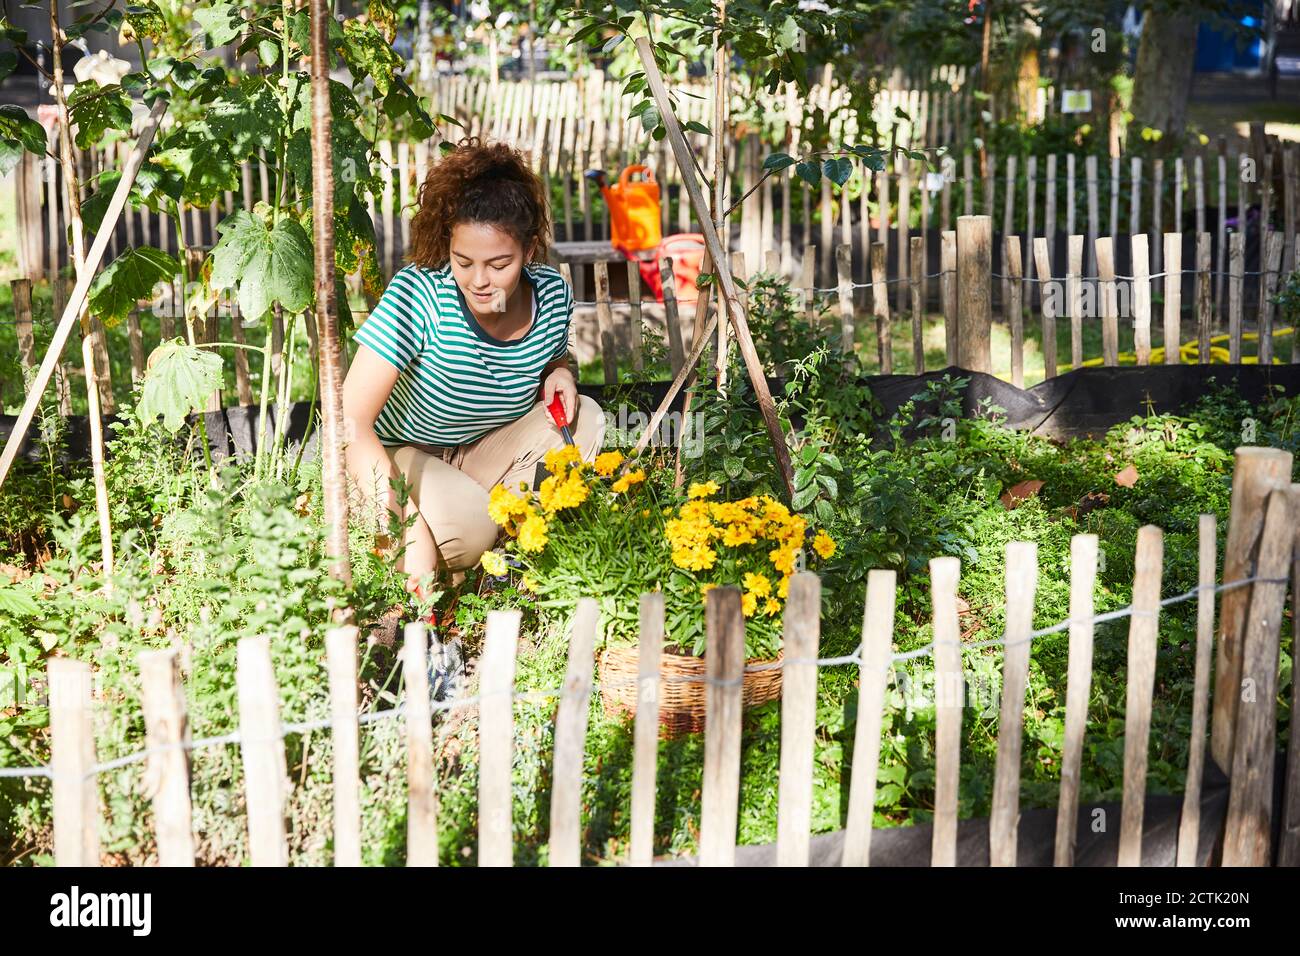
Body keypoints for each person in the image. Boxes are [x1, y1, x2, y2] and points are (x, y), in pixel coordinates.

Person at [342, 137, 604, 592]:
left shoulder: (551, 293)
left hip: (479, 453)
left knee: (587, 421)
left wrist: (560, 372)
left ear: (528, 250)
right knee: (473, 530)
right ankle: (449, 548)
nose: (479, 281)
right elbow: (350, 423)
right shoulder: (420, 296)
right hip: (401, 456)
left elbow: (553, 355)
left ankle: (504, 553)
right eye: (464, 262)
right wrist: (405, 522)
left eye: (499, 263)